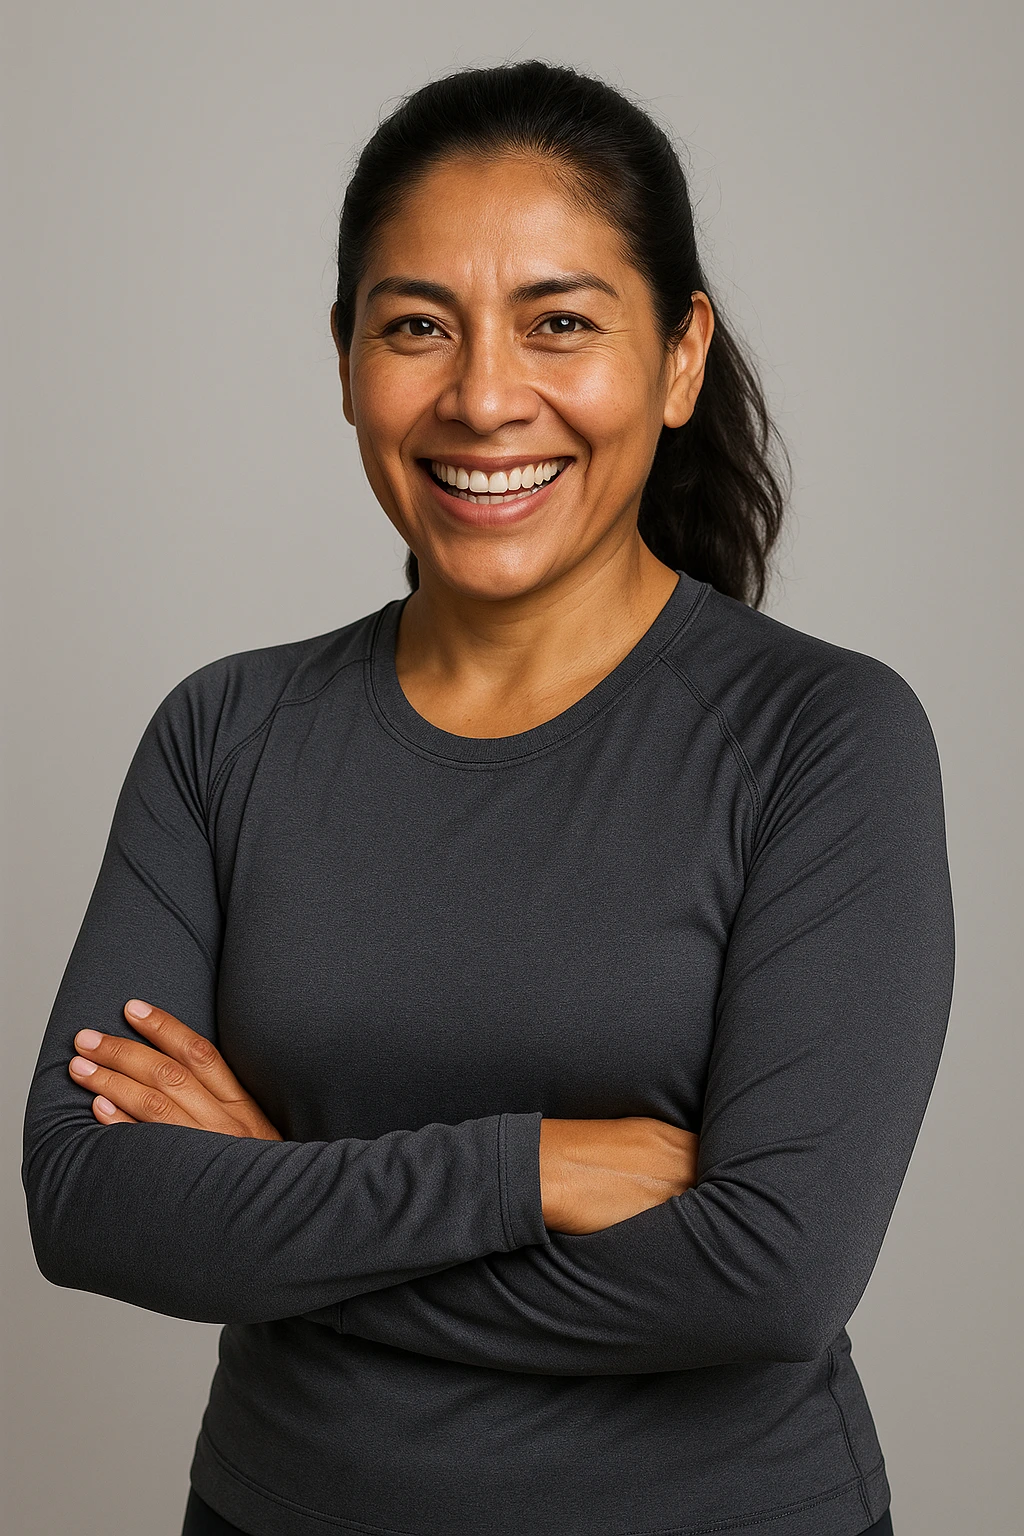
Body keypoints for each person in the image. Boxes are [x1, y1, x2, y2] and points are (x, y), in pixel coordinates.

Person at [21, 59, 952, 1536]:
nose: (483, 398)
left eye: (560, 323)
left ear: (680, 357)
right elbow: (85, 1200)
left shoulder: (822, 738)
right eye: (416, 327)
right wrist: (527, 1169)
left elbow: (770, 1278)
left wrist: (283, 1208)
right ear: (345, 361)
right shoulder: (224, 735)